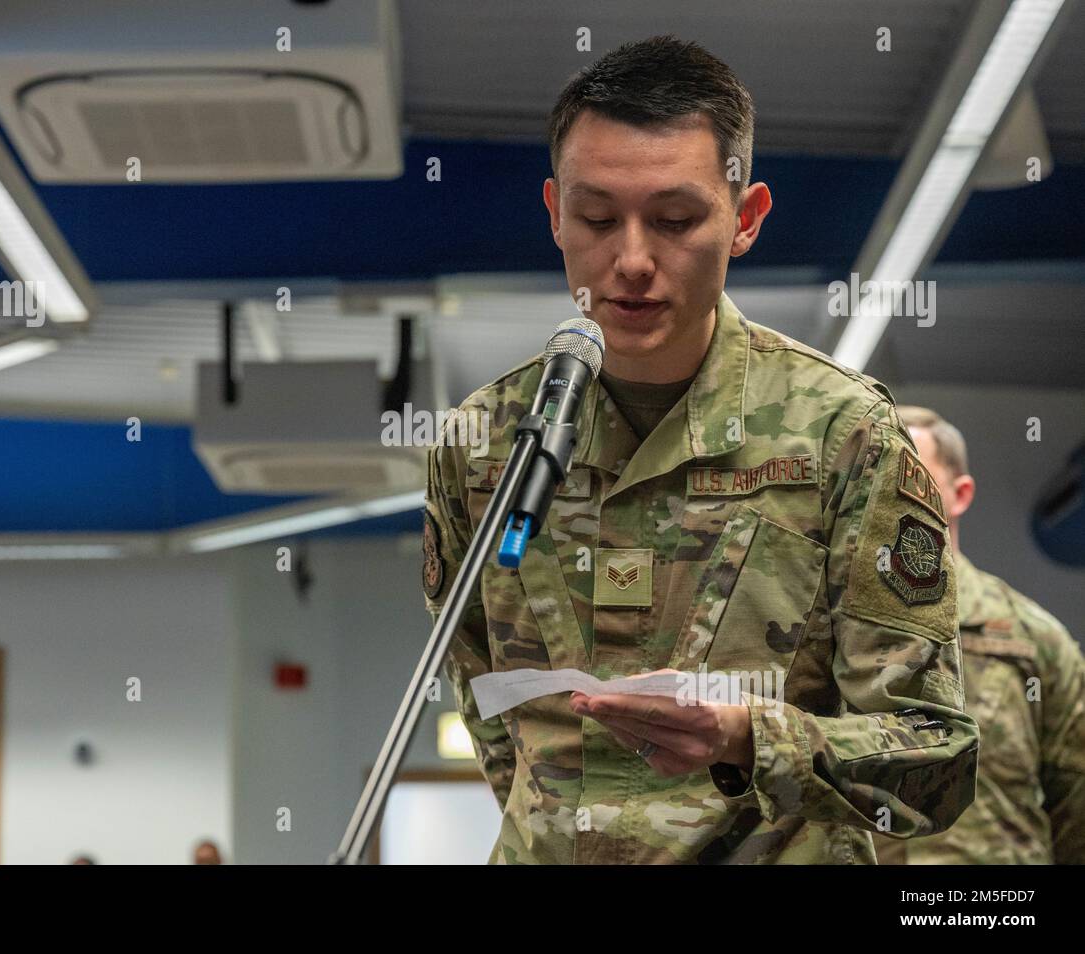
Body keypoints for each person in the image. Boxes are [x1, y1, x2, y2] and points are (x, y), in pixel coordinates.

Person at [422, 35, 978, 864]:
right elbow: (490, 716)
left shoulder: (843, 435)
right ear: (554, 213)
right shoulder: (485, 443)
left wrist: (748, 740)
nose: (632, 260)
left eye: (675, 220)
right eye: (597, 218)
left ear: (745, 218)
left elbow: (935, 762)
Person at [871, 406, 1085, 864]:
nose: (888, 496)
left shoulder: (1031, 639)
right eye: (868, 478)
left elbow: (1077, 805)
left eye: (912, 479)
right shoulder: (817, 629)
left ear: (960, 494)